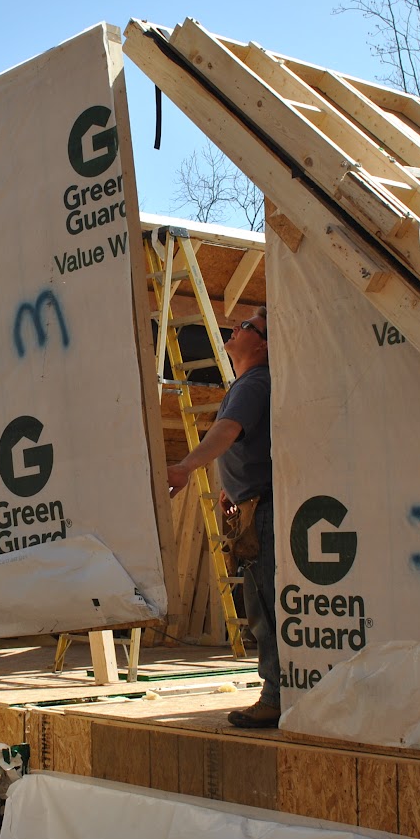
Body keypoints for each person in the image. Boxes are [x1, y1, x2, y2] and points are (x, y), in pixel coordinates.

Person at [167, 307, 278, 728]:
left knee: (265, 608)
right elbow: (249, 444)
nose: (235, 327)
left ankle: (276, 696)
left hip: (262, 509)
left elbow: (226, 432)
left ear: (262, 345)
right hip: (254, 504)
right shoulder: (250, 383)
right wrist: (232, 487)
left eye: (247, 326)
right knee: (262, 604)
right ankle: (279, 692)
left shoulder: (254, 382)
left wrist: (184, 467)